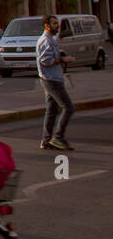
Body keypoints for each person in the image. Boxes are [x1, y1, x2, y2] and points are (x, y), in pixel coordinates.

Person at [37, 14, 75, 151]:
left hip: (52, 78)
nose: (57, 26)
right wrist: (64, 60)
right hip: (51, 80)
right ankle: (58, 137)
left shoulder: (50, 39)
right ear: (47, 25)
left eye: (57, 23)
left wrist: (61, 58)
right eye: (54, 23)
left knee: (51, 110)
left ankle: (46, 140)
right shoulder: (45, 41)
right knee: (69, 107)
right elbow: (45, 61)